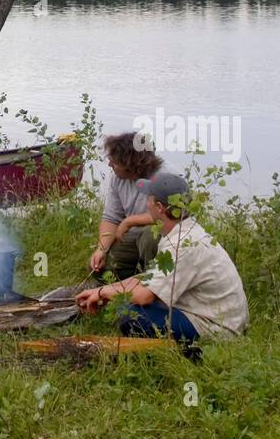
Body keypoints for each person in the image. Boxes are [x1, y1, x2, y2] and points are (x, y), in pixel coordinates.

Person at [75, 171, 249, 346]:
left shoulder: (181, 245)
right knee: (124, 301)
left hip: (217, 329)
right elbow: (149, 279)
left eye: (148, 199)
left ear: (159, 207)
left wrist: (102, 293)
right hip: (211, 315)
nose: (146, 202)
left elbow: (144, 296)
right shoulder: (181, 232)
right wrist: (107, 290)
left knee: (129, 314)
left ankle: (181, 353)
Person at [88, 131, 169, 280]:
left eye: (114, 162)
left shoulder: (166, 176)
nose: (109, 164)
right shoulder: (117, 178)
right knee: (100, 269)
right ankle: (132, 282)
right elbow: (111, 218)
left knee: (151, 235)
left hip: (165, 238)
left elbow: (170, 215)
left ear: (131, 164)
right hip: (132, 239)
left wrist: (129, 221)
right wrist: (101, 250)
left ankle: (156, 283)